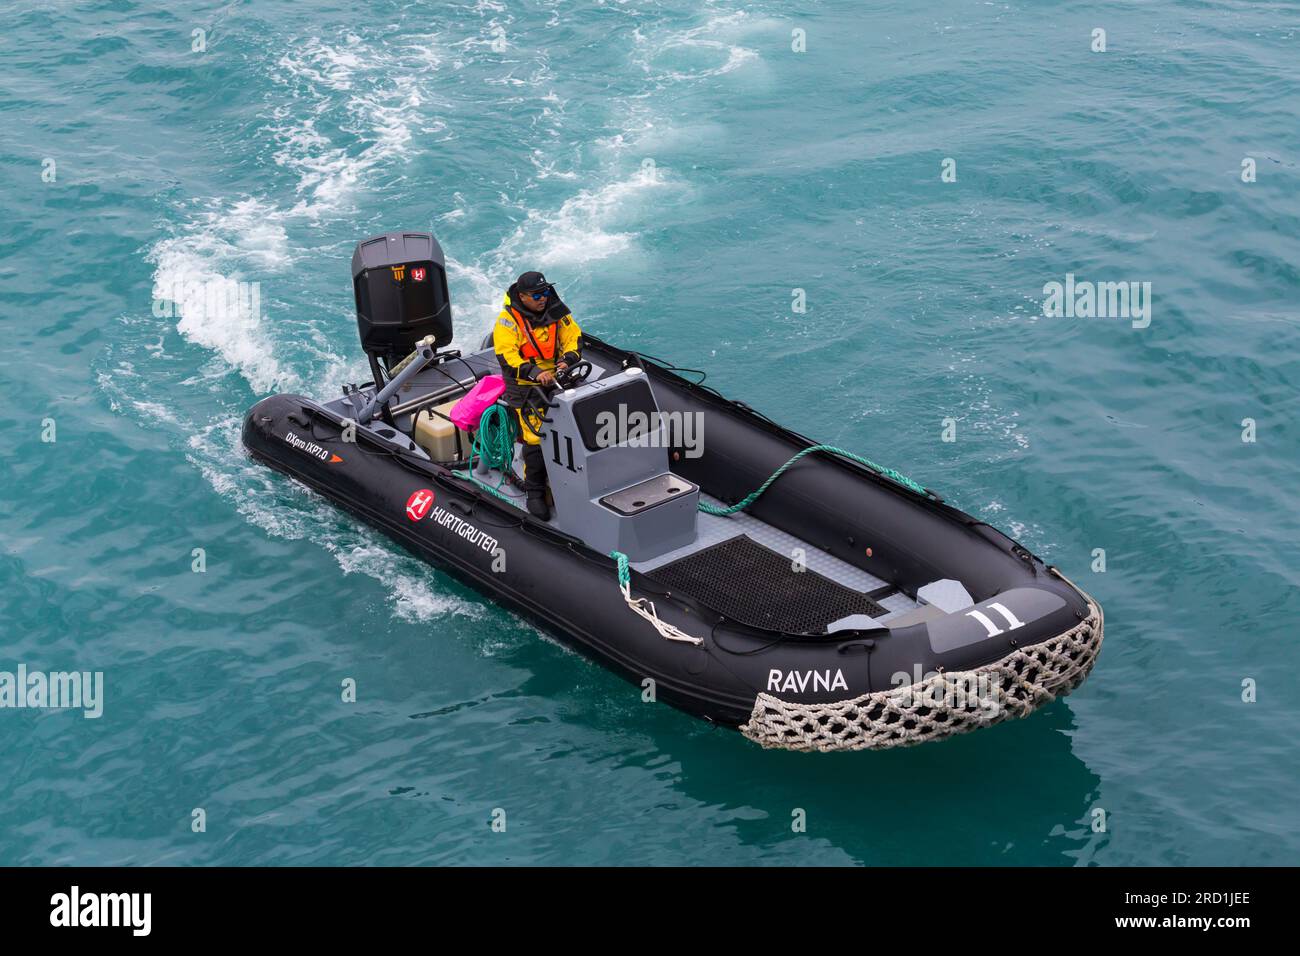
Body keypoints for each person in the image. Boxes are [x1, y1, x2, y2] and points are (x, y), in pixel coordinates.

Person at [492, 270, 582, 519]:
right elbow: (507, 357)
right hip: (524, 385)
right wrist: (535, 372)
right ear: (522, 296)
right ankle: (534, 492)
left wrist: (569, 358)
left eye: (545, 292)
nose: (543, 298)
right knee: (535, 437)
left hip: (556, 376)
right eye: (537, 294)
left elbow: (573, 336)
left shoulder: (555, 310)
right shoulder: (507, 321)